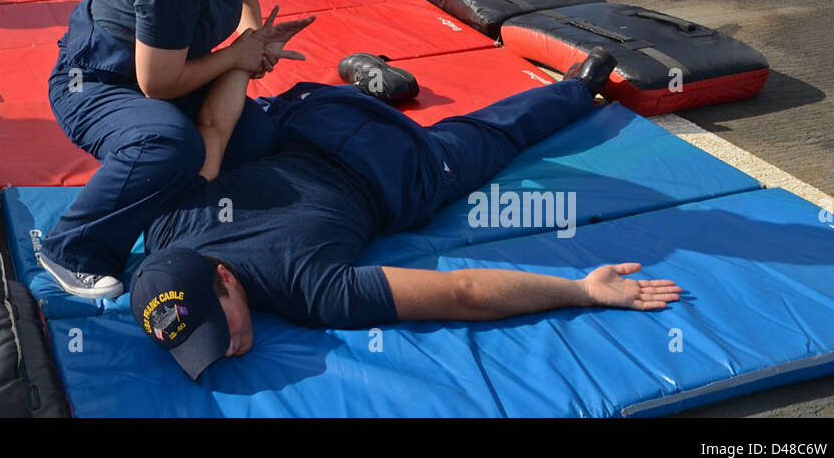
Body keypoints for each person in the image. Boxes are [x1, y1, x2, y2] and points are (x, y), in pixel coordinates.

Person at [129, 50, 683, 380]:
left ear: (224, 278)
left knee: (492, 134)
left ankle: (577, 89)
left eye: (216, 329)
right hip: (316, 110)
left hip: (402, 164)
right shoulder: (167, 229)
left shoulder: (310, 291)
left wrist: (581, 292)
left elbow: (462, 291)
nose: (225, 348)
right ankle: (369, 80)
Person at [37, 0, 314, 299]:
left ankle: (172, 209)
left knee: (256, 137)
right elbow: (158, 85)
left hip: (170, 71)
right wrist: (235, 58)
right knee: (169, 145)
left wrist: (253, 42)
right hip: (97, 84)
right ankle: (70, 248)